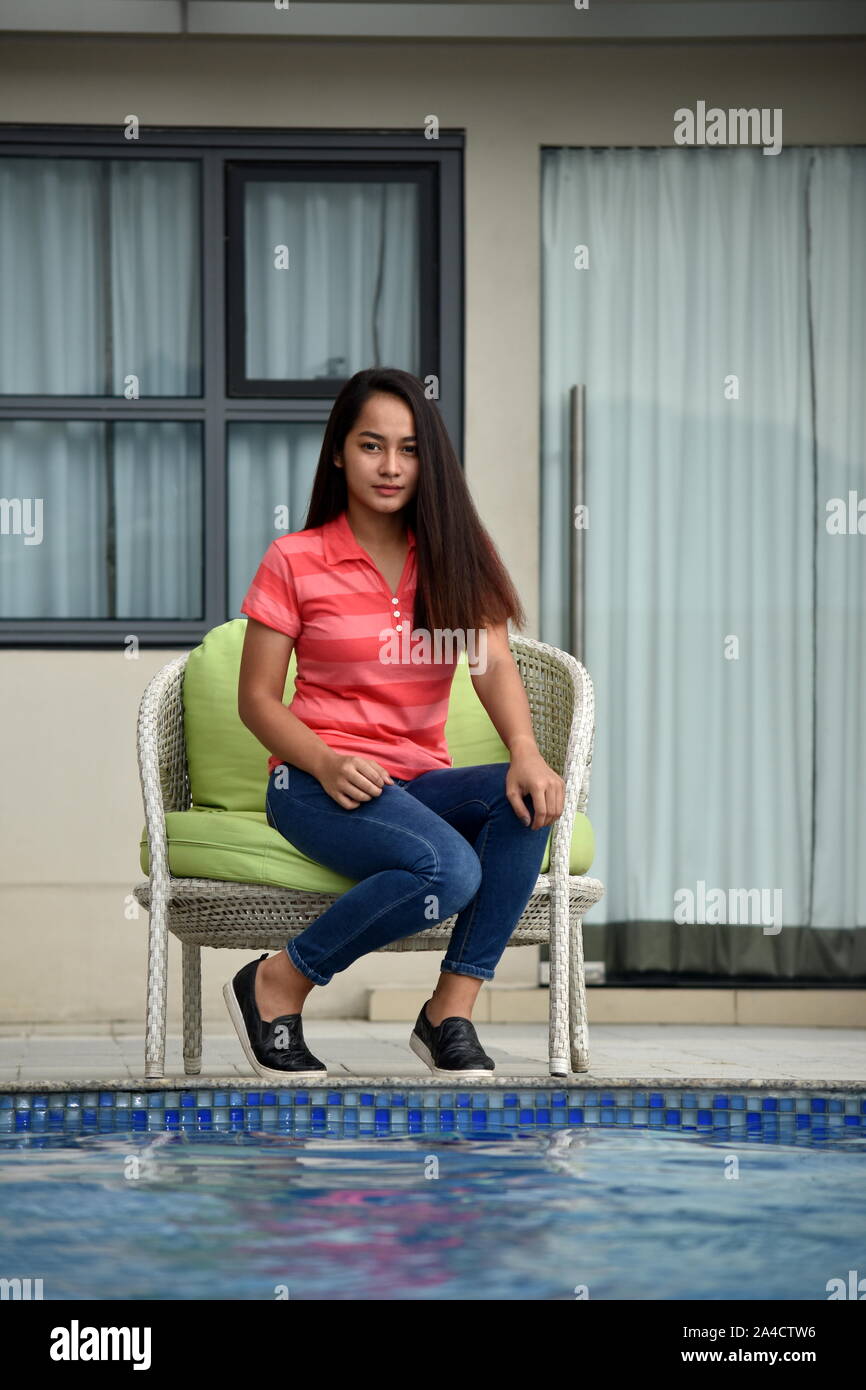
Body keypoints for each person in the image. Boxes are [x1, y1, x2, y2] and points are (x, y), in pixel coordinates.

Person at [225, 366, 564, 1080]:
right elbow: (256, 697)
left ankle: (449, 1012)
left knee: (525, 804)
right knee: (448, 866)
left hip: (413, 786)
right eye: (372, 445)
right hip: (314, 784)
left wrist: (526, 752)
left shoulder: (452, 558)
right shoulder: (295, 560)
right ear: (341, 453)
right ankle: (277, 983)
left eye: (409, 449)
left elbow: (492, 663)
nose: (390, 466)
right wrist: (321, 760)